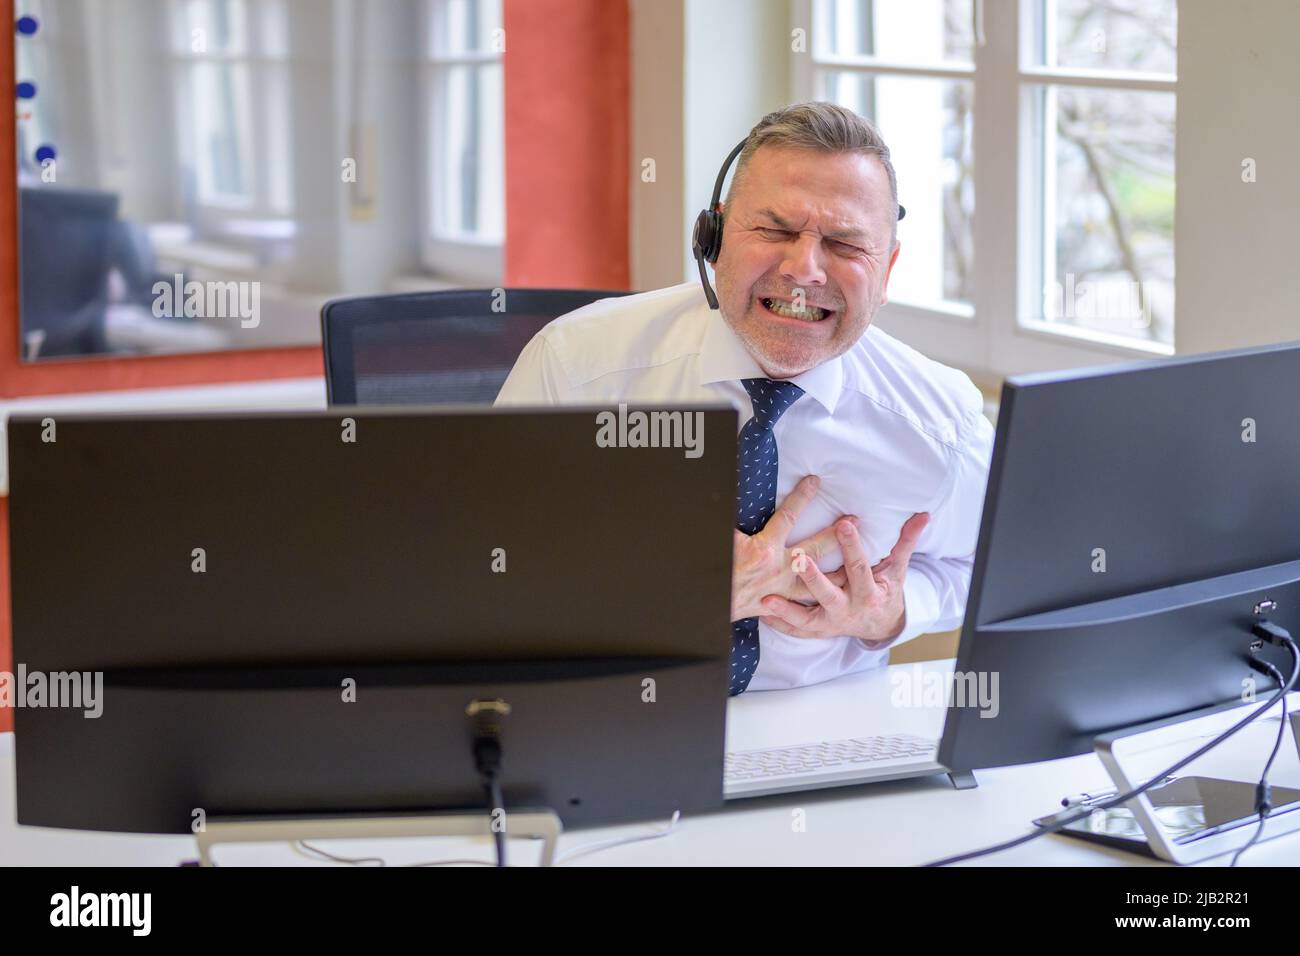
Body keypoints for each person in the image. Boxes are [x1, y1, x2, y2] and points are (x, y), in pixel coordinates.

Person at [497, 102, 994, 694]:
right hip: (606, 712)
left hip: (829, 742)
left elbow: (990, 569)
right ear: (714, 238)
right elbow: (480, 577)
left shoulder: (940, 422)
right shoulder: (577, 367)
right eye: (776, 230)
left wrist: (892, 610)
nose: (804, 269)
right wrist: (676, 598)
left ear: (886, 270)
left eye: (844, 243)